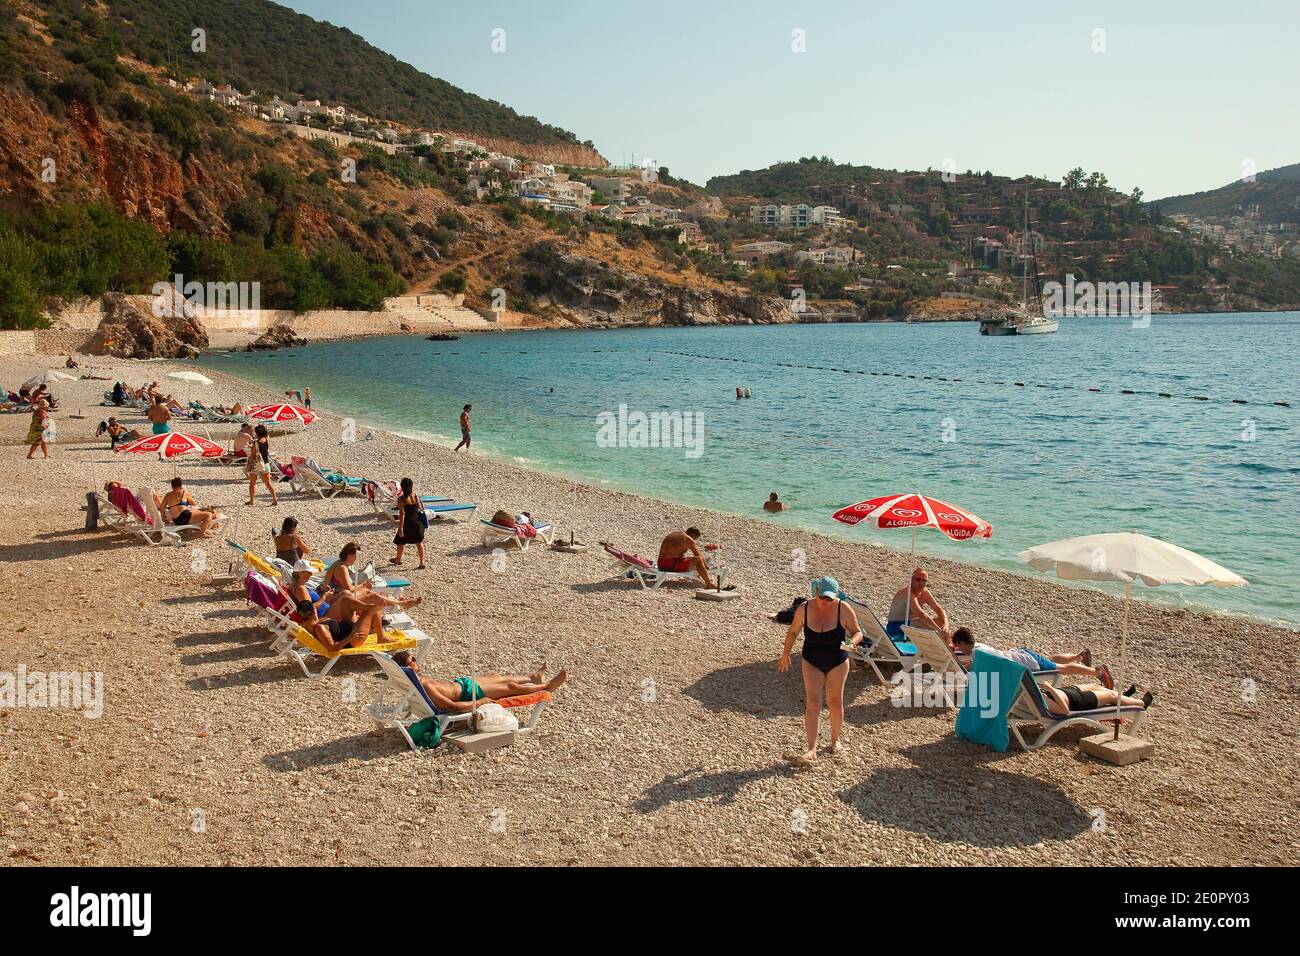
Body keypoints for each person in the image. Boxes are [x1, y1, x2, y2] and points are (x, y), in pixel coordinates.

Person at [778, 576, 864, 766]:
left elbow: (858, 632)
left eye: (830, 598)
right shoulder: (805, 608)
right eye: (823, 597)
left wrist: (852, 643)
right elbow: (793, 632)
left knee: (834, 702)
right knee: (813, 703)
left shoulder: (843, 608)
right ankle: (812, 749)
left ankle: (835, 741)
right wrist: (785, 655)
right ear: (817, 592)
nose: (826, 601)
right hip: (811, 660)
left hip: (838, 661)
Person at [390, 650, 567, 712]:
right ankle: (546, 687)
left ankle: (533, 677)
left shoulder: (418, 681)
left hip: (464, 684)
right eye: (411, 661)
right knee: (509, 687)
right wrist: (480, 702)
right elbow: (451, 707)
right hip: (469, 694)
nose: (415, 661)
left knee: (496, 676)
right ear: (407, 668)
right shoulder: (425, 686)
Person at [949, 628, 1112, 682]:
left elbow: (972, 666)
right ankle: (1080, 656)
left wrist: (956, 669)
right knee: (1049, 660)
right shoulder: (978, 647)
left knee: (1060, 668)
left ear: (963, 643)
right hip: (1022, 654)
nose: (958, 649)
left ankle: (1098, 672)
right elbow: (970, 665)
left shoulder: (978, 653)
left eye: (958, 646)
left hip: (1026, 662)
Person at [292, 597, 388, 651]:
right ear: (314, 610)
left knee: (345, 600)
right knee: (375, 611)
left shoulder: (310, 623)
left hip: (349, 628)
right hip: (354, 638)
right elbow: (332, 647)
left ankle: (367, 607)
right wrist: (351, 636)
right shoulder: (319, 628)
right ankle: (381, 637)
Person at [886, 568, 949, 642]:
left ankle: (946, 643)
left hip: (911, 624)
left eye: (924, 580)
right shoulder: (907, 593)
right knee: (934, 624)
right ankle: (945, 644)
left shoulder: (924, 592)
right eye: (918, 579)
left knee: (941, 621)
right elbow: (921, 614)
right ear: (911, 579)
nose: (921, 583)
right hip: (896, 627)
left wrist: (946, 624)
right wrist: (939, 630)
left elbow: (939, 609)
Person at [1038, 681, 1154, 716]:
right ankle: (1141, 703)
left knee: (1094, 686)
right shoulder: (1041, 701)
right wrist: (1050, 688)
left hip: (1067, 692)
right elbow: (1065, 710)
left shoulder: (1028, 696)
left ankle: (1122, 697)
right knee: (1110, 696)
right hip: (1078, 701)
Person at [392, 477, 426, 569]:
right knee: (419, 542)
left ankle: (398, 559)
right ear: (412, 486)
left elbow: (402, 514)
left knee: (400, 541)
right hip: (418, 523)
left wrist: (401, 528)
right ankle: (422, 562)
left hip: (407, 524)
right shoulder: (415, 496)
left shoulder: (401, 499)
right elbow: (421, 508)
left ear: (402, 487)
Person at [245, 424, 278, 506]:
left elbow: (253, 455)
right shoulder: (267, 439)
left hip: (256, 464)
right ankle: (275, 500)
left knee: (252, 483)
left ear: (257, 433)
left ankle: (251, 501)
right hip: (266, 463)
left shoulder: (255, 443)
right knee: (268, 483)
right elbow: (266, 435)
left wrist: (248, 463)